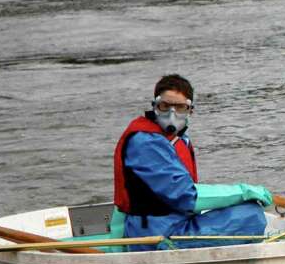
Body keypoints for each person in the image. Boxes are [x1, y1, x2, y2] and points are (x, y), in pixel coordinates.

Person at [112, 74, 273, 251]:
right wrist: (242, 192)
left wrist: (241, 197)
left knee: (245, 208)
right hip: (155, 236)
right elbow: (186, 196)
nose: (171, 114)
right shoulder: (146, 142)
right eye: (165, 106)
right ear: (155, 107)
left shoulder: (176, 139)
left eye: (179, 107)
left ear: (190, 110)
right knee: (252, 216)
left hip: (174, 224)